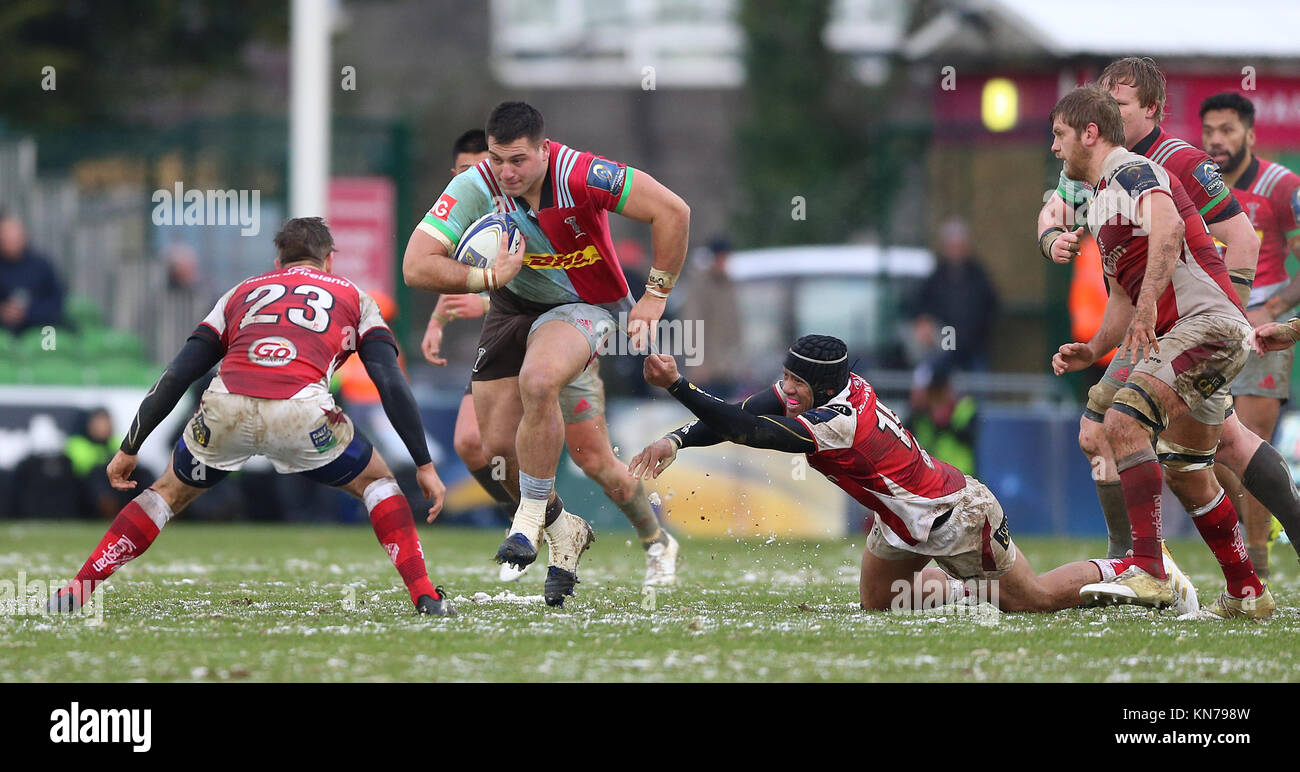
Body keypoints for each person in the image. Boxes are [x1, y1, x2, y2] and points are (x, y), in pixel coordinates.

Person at [48, 217, 455, 616]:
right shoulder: (355, 297)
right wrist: (423, 462)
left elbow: (177, 374)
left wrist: (129, 446)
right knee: (379, 483)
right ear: (330, 259)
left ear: (278, 264)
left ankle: (78, 588)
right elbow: (389, 380)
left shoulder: (239, 293)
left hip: (226, 409)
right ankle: (424, 595)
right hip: (302, 415)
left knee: (166, 494)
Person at [628, 335, 1197, 614]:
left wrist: (679, 387)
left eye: (795, 383)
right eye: (787, 379)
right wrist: (677, 437)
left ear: (823, 390)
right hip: (900, 520)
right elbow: (747, 413)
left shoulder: (840, 420)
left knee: (1037, 601)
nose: (786, 389)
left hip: (953, 516)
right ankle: (971, 590)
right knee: (880, 602)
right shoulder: (827, 389)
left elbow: (750, 432)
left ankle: (1140, 571)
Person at [403, 102, 691, 606]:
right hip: (511, 309)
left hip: (583, 306)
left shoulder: (582, 173)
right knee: (491, 450)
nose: (506, 172)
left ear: (544, 149)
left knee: (581, 440)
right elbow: (415, 266)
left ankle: (645, 537)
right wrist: (485, 278)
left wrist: (656, 295)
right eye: (497, 160)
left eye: (518, 160)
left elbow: (673, 210)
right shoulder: (477, 185)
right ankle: (563, 529)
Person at [1034, 58, 1300, 573]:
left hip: (1192, 324)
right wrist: (1052, 241)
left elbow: (1242, 240)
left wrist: (1228, 322)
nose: (1109, 112)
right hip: (1153, 327)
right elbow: (1063, 224)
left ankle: (1146, 564)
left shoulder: (1168, 161)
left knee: (1135, 429)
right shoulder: (1094, 173)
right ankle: (1215, 574)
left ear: (1152, 110)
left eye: (1121, 104)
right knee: (1201, 444)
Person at [1200, 92, 1300, 577]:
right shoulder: (1196, 181)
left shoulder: (1282, 186)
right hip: (1210, 326)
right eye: (1210, 131)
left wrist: (1276, 308)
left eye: (1228, 130)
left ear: (1251, 135)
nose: (1217, 140)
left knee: (1253, 438)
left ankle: (1255, 569)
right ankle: (1276, 516)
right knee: (1210, 441)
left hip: (1261, 326)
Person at [909, 218, 998, 371]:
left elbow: (991, 305)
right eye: (951, 246)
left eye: (959, 246)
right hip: (943, 349)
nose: (955, 250)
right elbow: (921, 307)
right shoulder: (935, 278)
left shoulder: (979, 277)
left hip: (974, 349)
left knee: (977, 389)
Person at [679, 236, 744, 398]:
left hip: (727, 368)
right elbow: (691, 325)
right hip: (707, 371)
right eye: (721, 258)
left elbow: (735, 326)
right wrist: (696, 363)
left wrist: (738, 360)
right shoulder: (700, 286)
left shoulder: (729, 285)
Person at [906, 361, 978, 477]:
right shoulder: (921, 415)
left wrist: (946, 422)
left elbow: (970, 437)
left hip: (963, 478)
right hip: (933, 479)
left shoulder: (965, 407)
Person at [0, 210, 65, 334]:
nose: (10, 240)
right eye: (5, 236)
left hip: (40, 328)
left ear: (23, 236)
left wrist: (28, 313)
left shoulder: (42, 266)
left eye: (14, 236)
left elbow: (57, 302)